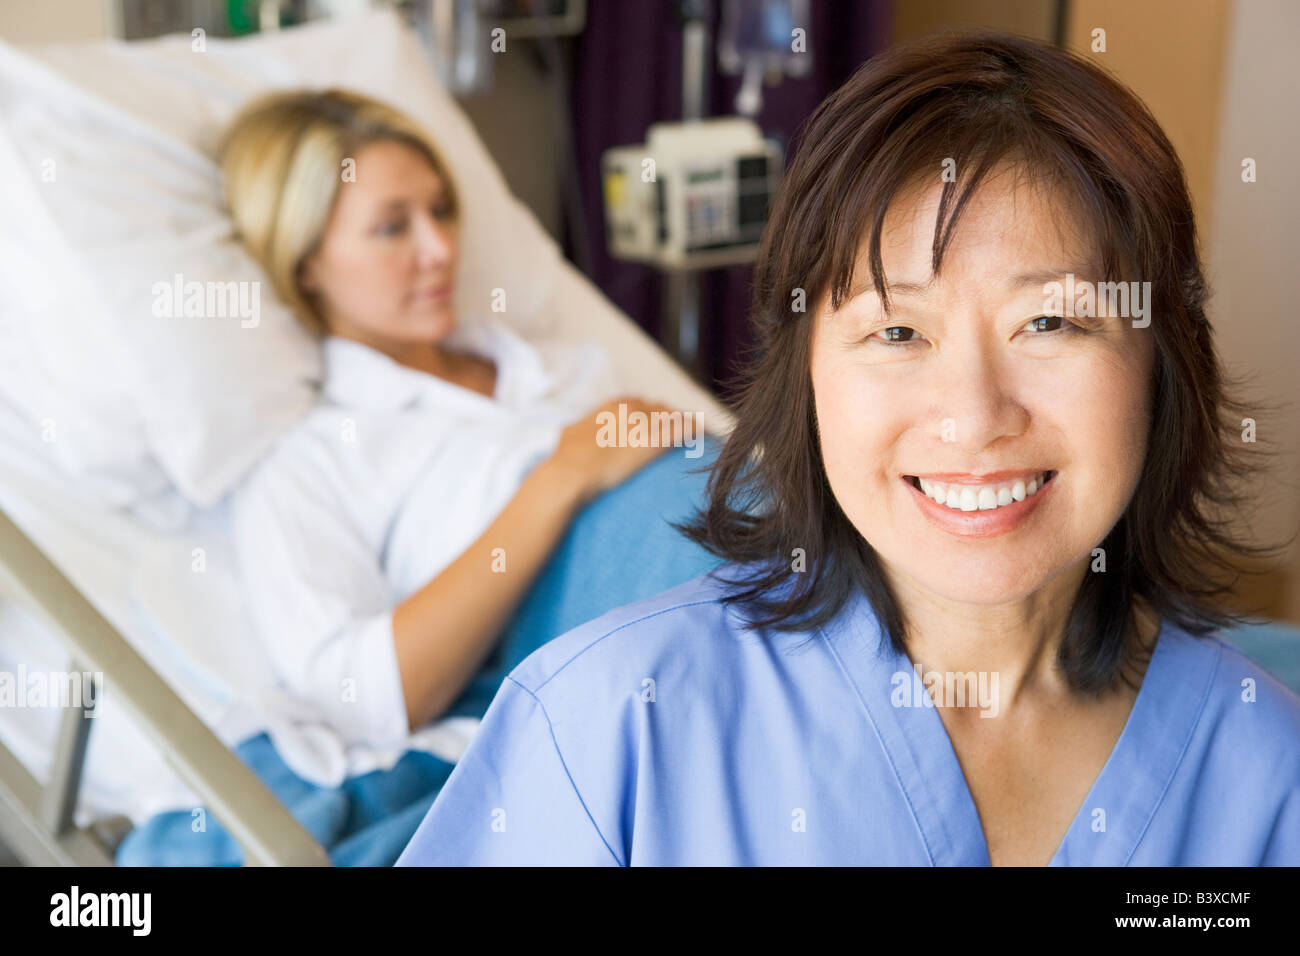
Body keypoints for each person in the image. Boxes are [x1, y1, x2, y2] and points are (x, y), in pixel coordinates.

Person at [396, 31, 1300, 866]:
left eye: (1051, 320)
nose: (973, 417)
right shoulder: (612, 726)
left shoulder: (1263, 770)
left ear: (1163, 362)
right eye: (899, 332)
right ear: (809, 376)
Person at [217, 89, 709, 780]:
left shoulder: (564, 366)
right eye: (393, 227)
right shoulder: (314, 464)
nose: (439, 248)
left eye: (441, 210)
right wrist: (561, 477)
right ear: (305, 262)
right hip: (665, 624)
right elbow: (369, 701)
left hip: (758, 538)